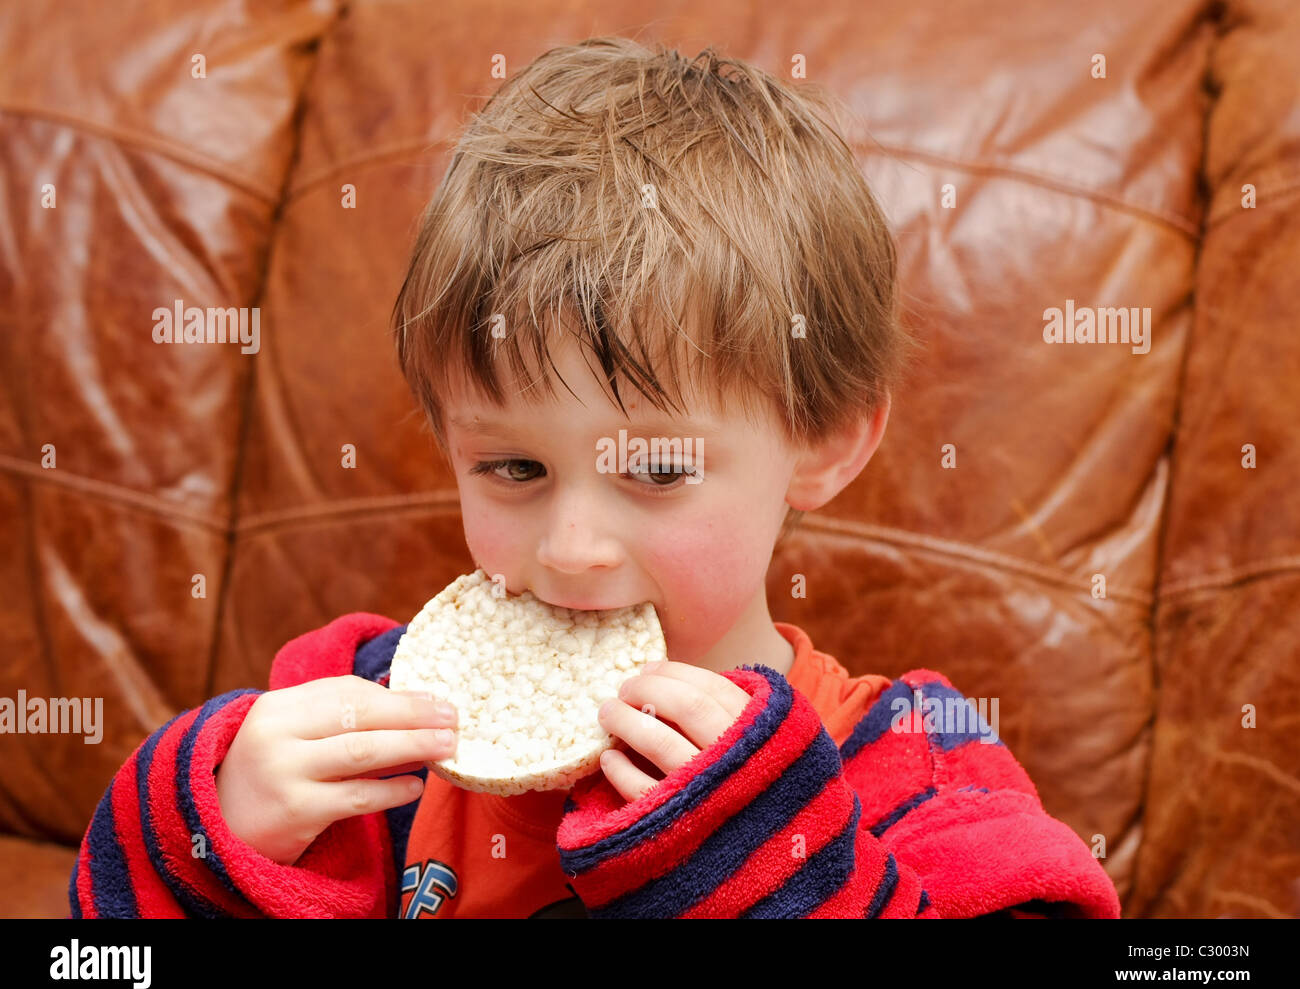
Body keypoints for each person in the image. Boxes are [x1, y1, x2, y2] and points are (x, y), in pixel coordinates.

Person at [69, 36, 1121, 919]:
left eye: (657, 469)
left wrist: (776, 860)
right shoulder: (369, 728)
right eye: (513, 465)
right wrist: (213, 834)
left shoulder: (915, 765)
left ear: (826, 440)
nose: (571, 548)